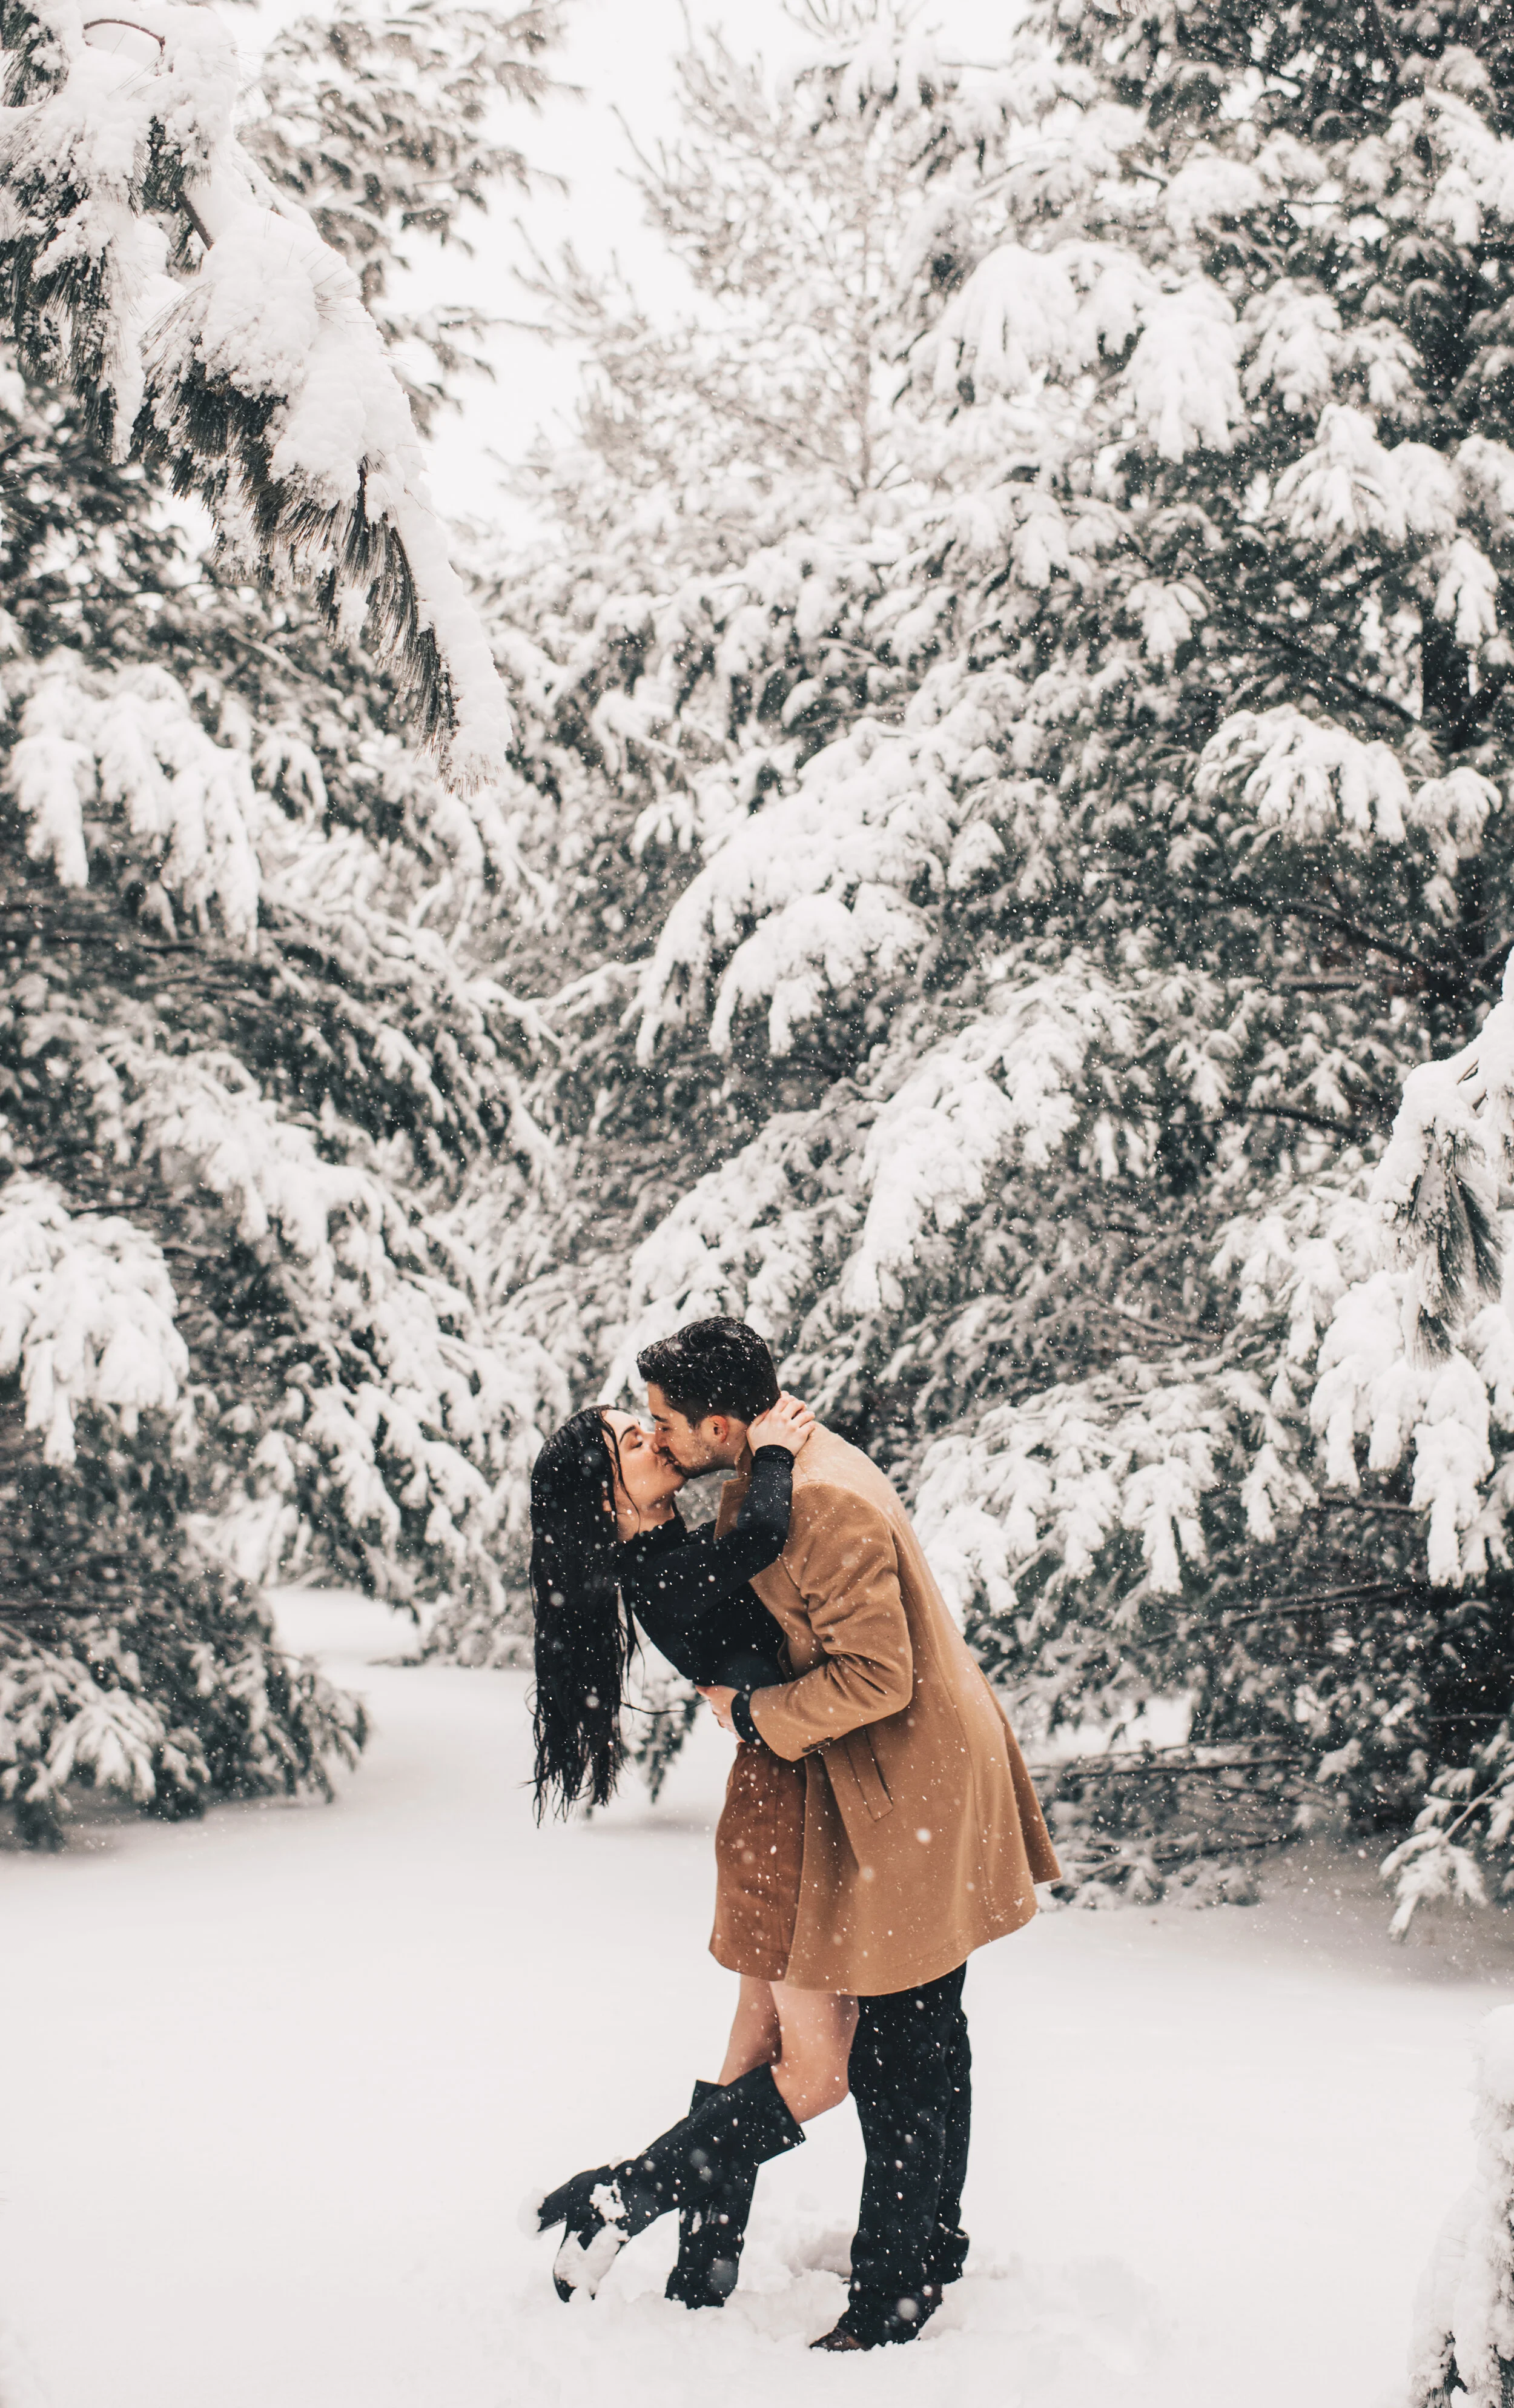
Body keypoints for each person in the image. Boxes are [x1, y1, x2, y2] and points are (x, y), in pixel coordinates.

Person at [635, 1316, 1062, 2352]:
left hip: (911, 1783)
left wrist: (750, 1717)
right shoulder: (787, 1466)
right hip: (906, 1778)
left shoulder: (815, 1496)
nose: (657, 1439)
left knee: (901, 2052)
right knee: (927, 2031)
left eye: (664, 1423)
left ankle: (890, 2301)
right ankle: (931, 2247)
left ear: (721, 1423)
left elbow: (877, 1676)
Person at [524, 1386, 858, 2309]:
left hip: (778, 1791)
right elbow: (756, 1545)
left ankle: (703, 2271)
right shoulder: (663, 1568)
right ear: (609, 1500)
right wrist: (778, 1453)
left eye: (647, 1422)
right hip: (786, 1805)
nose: (652, 1437)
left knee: (756, 2050)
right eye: (631, 1439)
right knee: (820, 2070)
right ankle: (617, 2200)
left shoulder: (666, 1555)